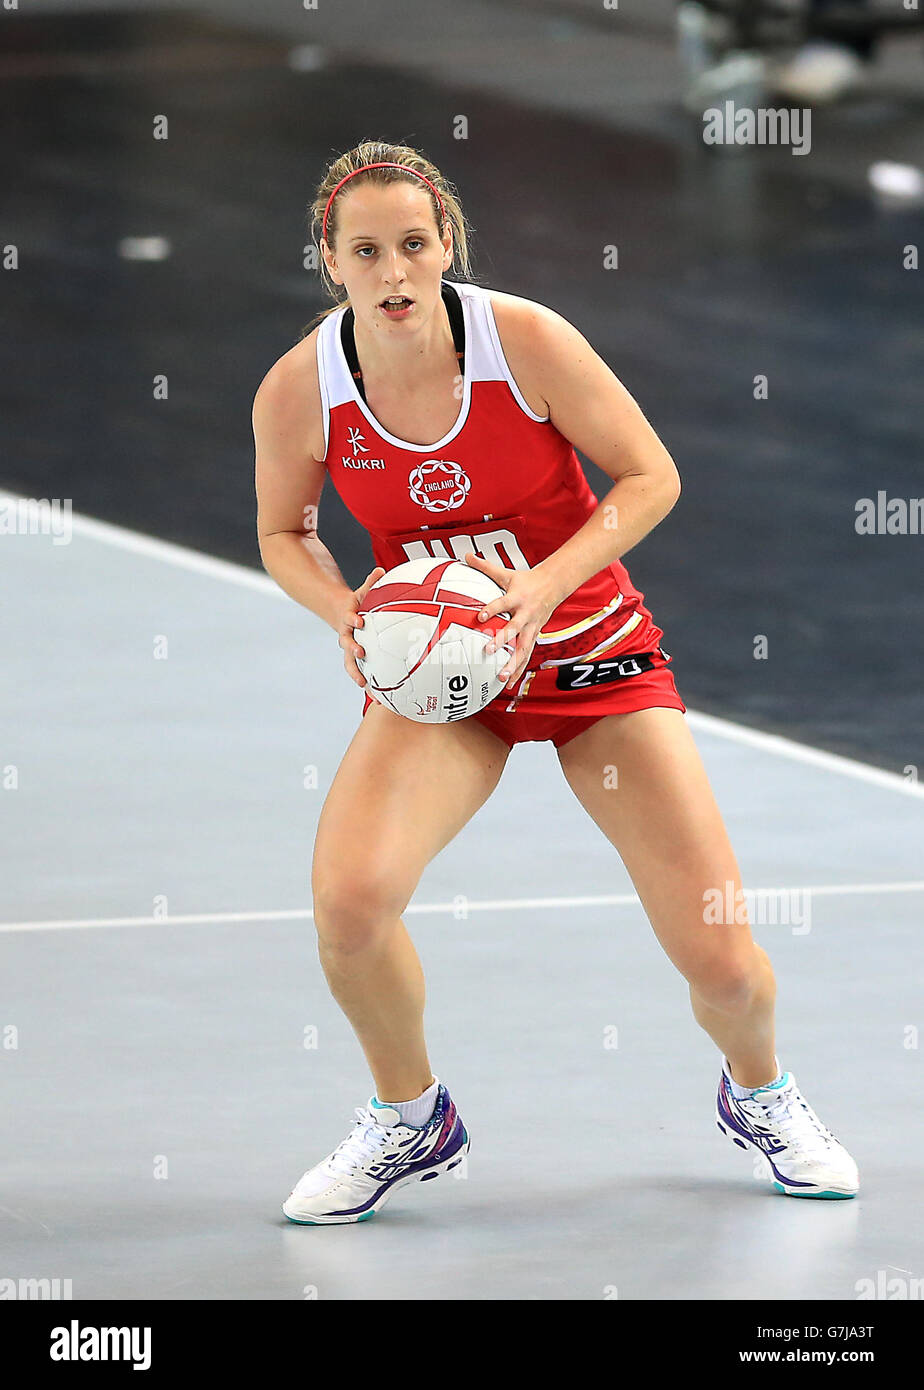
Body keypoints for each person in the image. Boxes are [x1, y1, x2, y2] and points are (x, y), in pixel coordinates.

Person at [252, 141, 858, 1225]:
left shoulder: (521, 340)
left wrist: (543, 588)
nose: (393, 272)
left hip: (592, 655)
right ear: (328, 263)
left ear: (448, 247)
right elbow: (283, 532)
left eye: (414, 245)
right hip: (447, 684)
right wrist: (349, 612)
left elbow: (650, 475)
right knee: (349, 905)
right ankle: (409, 1117)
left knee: (724, 963)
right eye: (365, 251)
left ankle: (759, 1091)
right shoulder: (303, 389)